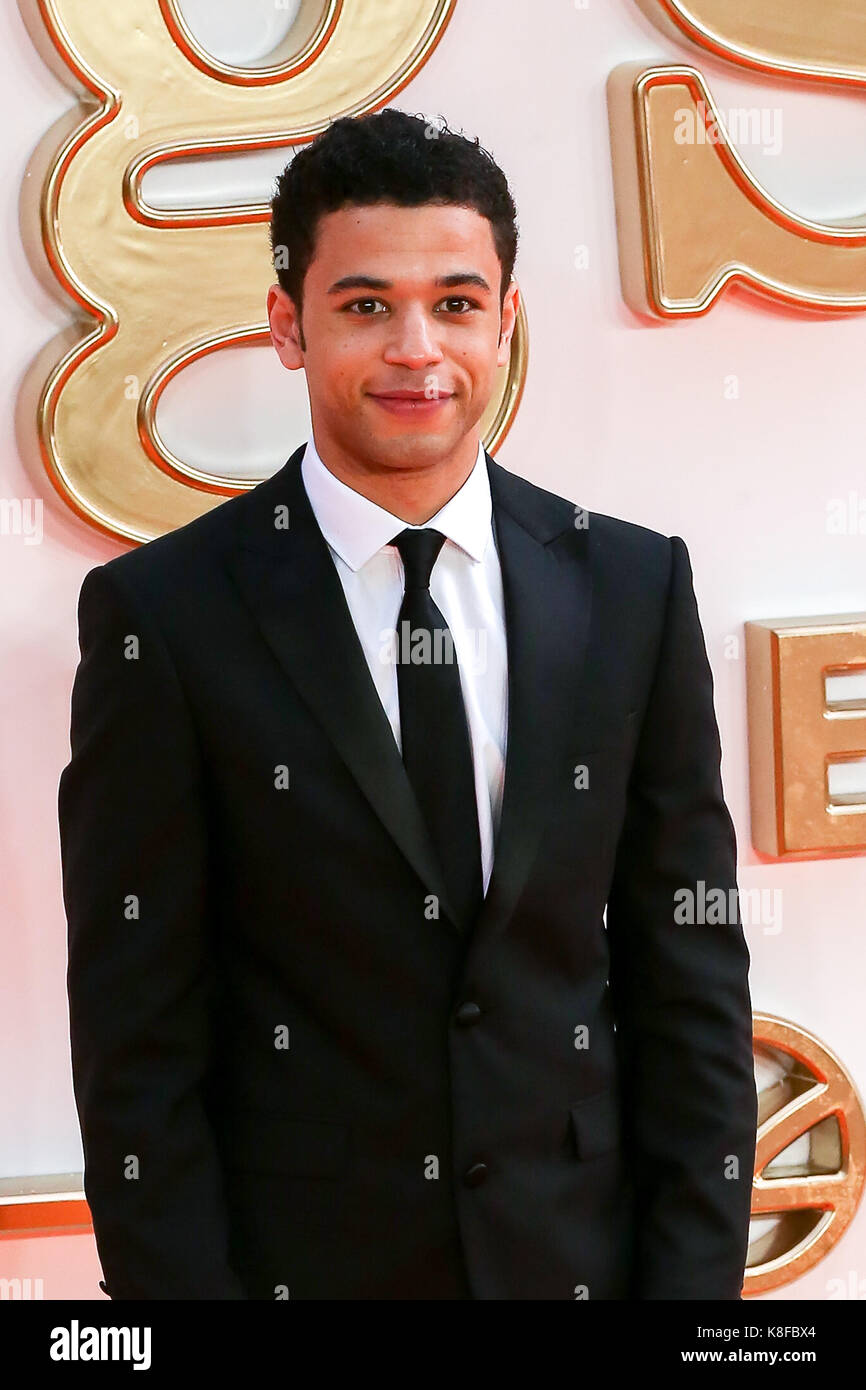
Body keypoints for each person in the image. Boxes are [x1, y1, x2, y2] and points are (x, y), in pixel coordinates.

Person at [58, 108, 758, 1300]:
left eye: (455, 302)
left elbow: (687, 983)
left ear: (505, 319)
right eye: (365, 305)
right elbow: (138, 1048)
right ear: (288, 324)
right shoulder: (165, 617)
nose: (416, 349)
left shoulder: (631, 588)